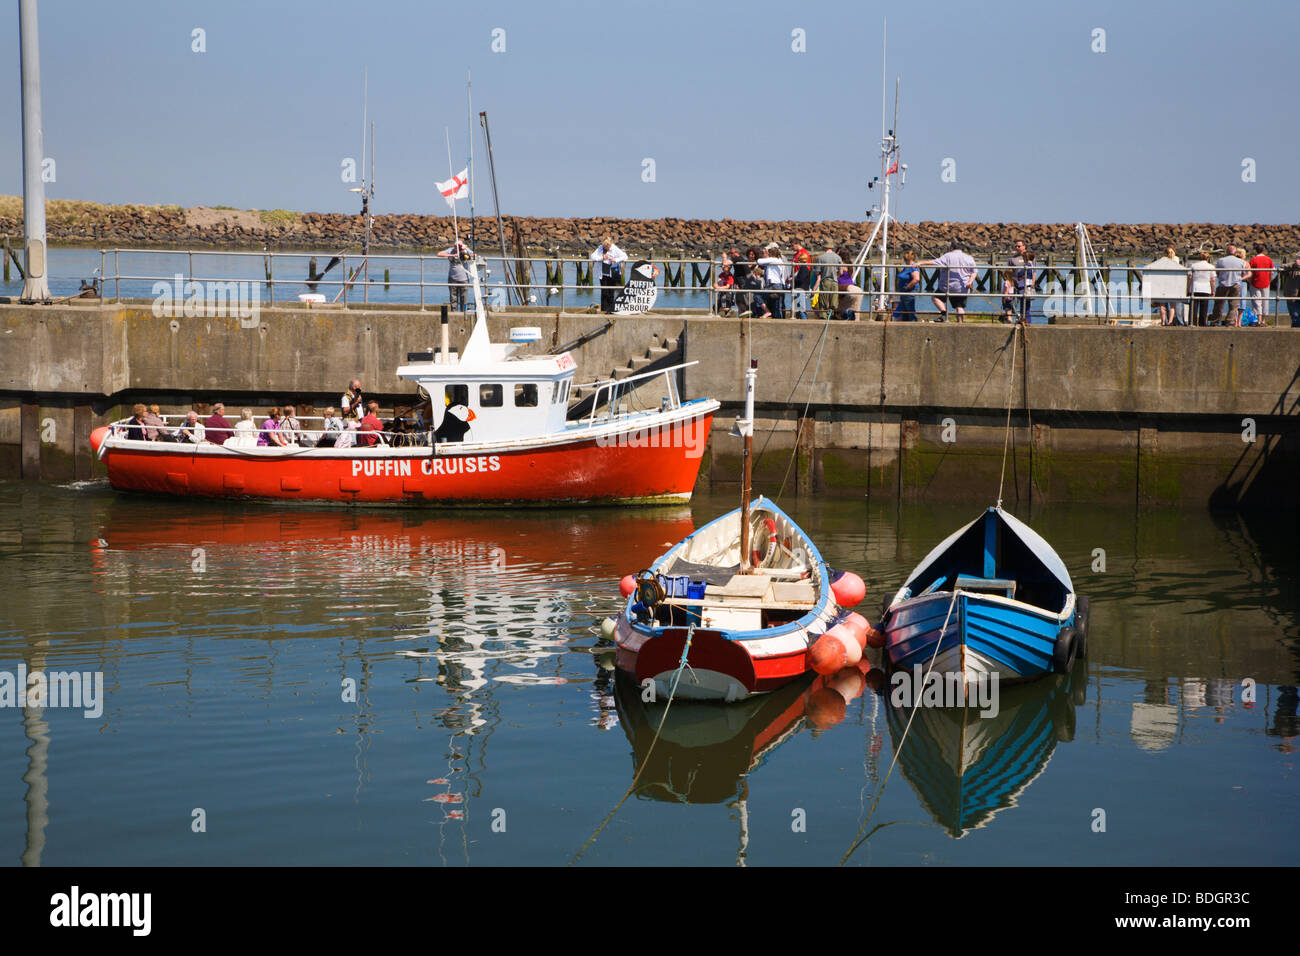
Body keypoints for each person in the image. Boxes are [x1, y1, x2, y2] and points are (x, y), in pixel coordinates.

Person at [923, 238, 977, 322]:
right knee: (959, 307)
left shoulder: (948, 256)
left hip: (947, 287)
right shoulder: (969, 258)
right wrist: (970, 282)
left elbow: (934, 262)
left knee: (935, 297)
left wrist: (920, 263)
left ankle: (944, 314)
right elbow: (974, 272)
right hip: (962, 287)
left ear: (952, 248)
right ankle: (960, 324)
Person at [590, 236, 628, 314]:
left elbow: (625, 256)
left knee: (611, 292)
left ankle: (610, 310)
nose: (606, 248)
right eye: (605, 246)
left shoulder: (615, 249)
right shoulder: (600, 248)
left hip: (612, 273)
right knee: (604, 292)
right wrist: (601, 258)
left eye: (607, 246)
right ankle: (604, 310)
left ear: (610, 245)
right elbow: (592, 257)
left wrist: (615, 260)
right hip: (603, 273)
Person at [1211, 244, 1246, 327]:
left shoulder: (1220, 260)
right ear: (1235, 252)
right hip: (1235, 284)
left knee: (1219, 304)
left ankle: (1215, 321)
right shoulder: (1241, 262)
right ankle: (1230, 321)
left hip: (1223, 284)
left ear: (1227, 252)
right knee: (1234, 305)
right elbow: (1243, 273)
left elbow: (1217, 272)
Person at [756, 243, 789, 319]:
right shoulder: (778, 260)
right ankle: (778, 319)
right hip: (777, 284)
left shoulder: (774, 260)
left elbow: (759, 261)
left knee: (758, 296)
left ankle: (767, 311)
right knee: (777, 305)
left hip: (774, 285)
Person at [438, 240, 472, 311]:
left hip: (464, 279)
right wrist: (452, 255)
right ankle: (454, 312)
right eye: (456, 248)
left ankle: (464, 312)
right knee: (453, 299)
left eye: (459, 248)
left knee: (464, 299)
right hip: (453, 279)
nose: (457, 250)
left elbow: (474, 255)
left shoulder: (466, 250)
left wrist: (466, 255)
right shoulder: (451, 250)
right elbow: (439, 254)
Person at [1007, 239, 1034, 323]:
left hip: (1025, 287)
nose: (1017, 247)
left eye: (1019, 246)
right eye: (1016, 246)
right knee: (1017, 305)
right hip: (1017, 286)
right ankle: (1020, 319)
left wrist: (1020, 275)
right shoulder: (1012, 259)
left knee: (1026, 306)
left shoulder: (1028, 264)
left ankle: (1026, 321)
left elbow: (1026, 273)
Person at [814, 241, 842, 321]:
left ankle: (823, 317)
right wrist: (836, 275)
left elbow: (817, 272)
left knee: (823, 301)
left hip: (825, 281)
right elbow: (841, 272)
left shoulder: (820, 258)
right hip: (834, 282)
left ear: (824, 247)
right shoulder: (838, 257)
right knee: (834, 301)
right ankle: (832, 316)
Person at [1246, 243, 1274, 325]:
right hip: (1266, 282)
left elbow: (1250, 272)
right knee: (1265, 300)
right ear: (1264, 250)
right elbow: (1271, 272)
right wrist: (1269, 280)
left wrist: (1250, 281)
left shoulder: (1253, 260)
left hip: (1255, 282)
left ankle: (1259, 320)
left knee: (1256, 301)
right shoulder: (1268, 259)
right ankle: (1263, 320)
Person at [1188, 251, 1216, 327]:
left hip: (1194, 288)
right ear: (1208, 258)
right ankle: (1202, 323)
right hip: (1206, 288)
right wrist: (1213, 290)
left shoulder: (1193, 266)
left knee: (1193, 308)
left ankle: (1192, 322)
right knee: (1204, 308)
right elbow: (1213, 280)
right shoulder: (1211, 267)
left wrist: (1187, 289)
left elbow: (1190, 278)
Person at [894, 248, 920, 321]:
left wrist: (907, 287)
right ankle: (905, 326)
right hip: (904, 292)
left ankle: (913, 325)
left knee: (910, 310)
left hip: (909, 291)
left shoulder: (913, 266)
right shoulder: (907, 266)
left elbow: (916, 279)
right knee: (904, 310)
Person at [790, 240, 813, 319]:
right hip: (796, 281)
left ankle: (803, 318)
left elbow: (806, 270)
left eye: (792, 245)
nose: (791, 247)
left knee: (801, 304)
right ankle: (799, 317)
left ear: (797, 244)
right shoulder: (796, 254)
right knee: (797, 304)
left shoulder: (804, 254)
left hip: (800, 283)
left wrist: (795, 277)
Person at [1281, 254, 1300, 328]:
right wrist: (1293, 265)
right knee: (1295, 315)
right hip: (1292, 295)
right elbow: (1281, 269)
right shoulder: (1291, 267)